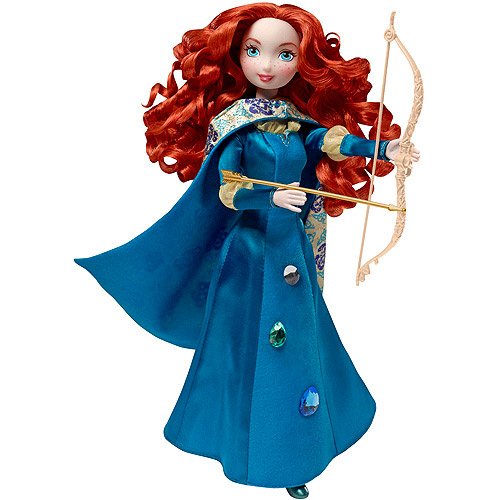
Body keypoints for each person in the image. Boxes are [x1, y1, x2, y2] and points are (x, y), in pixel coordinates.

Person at [75, 3, 420, 498]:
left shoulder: (296, 122)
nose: (268, 65)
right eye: (254, 51)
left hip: (290, 252)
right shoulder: (233, 124)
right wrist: (269, 197)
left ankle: (296, 455)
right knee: (246, 351)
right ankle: (243, 449)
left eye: (285, 54)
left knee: (299, 347)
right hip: (250, 255)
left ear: (303, 61)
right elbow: (227, 189)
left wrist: (383, 150)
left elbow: (331, 142)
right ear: (236, 56)